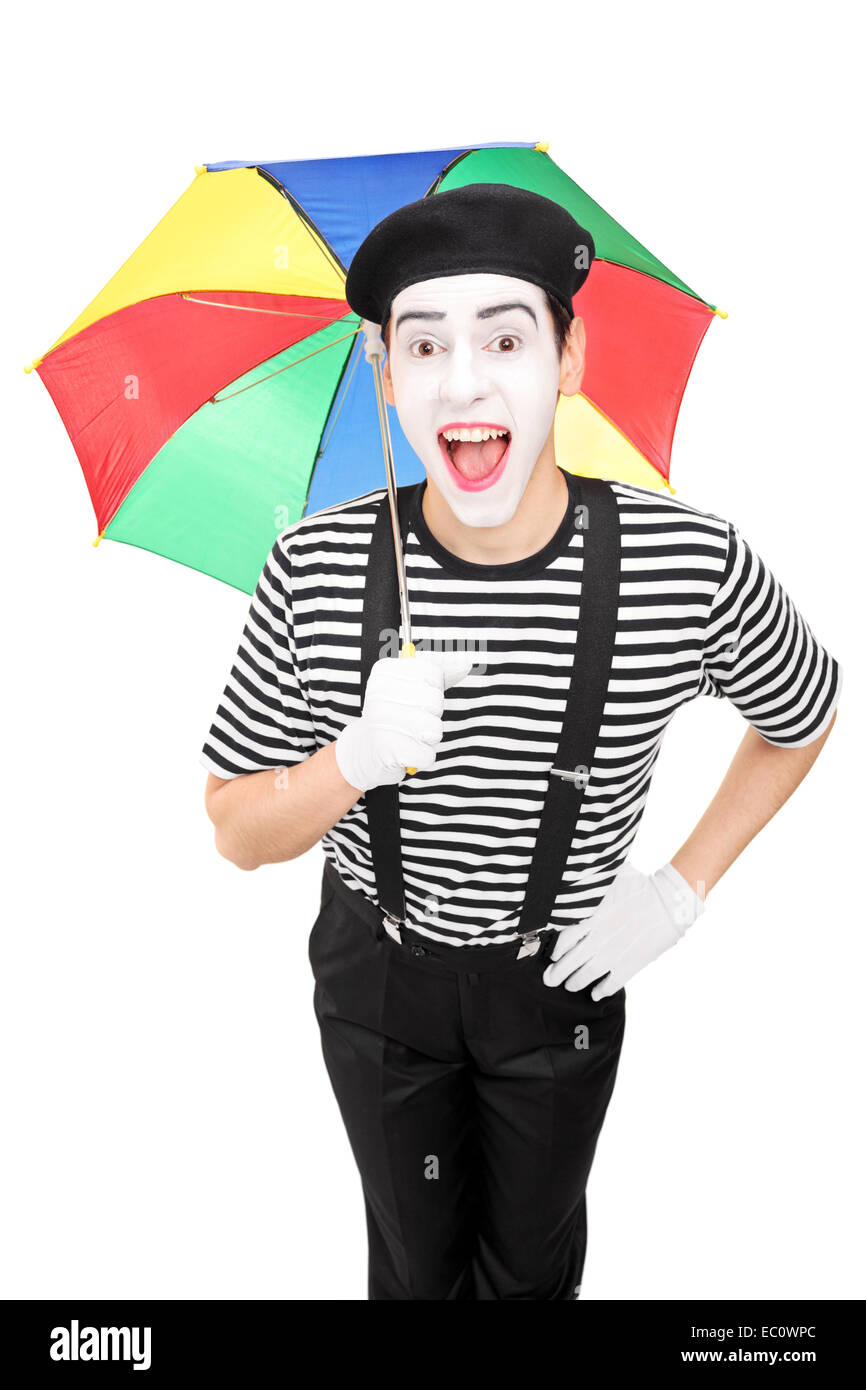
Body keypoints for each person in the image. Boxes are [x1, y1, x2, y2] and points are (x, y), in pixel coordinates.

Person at [199, 183, 842, 1300]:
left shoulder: (685, 564)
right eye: (423, 343)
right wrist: (347, 760)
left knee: (534, 1272)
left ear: (569, 355)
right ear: (381, 371)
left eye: (503, 335)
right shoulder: (312, 566)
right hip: (378, 974)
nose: (463, 380)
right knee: (409, 1269)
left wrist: (679, 892)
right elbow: (236, 830)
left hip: (561, 977)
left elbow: (803, 713)